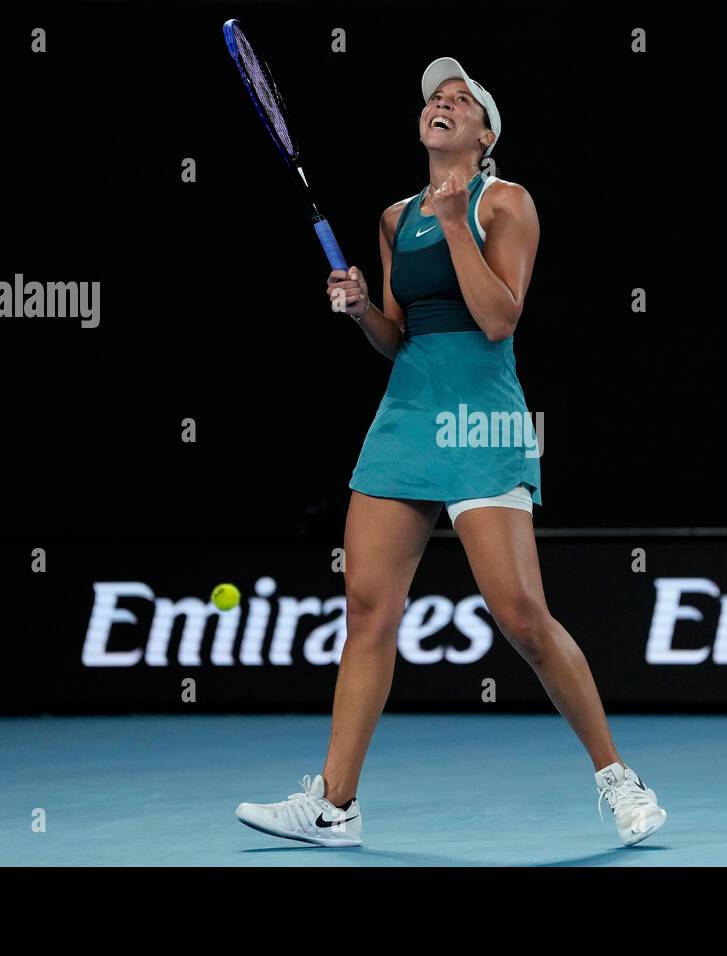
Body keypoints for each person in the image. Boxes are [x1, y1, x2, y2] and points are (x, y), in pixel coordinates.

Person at [237, 57, 666, 848]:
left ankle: (619, 780)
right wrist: (364, 307)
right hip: (406, 418)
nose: (443, 102)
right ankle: (336, 805)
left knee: (522, 616)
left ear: (485, 134)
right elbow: (398, 335)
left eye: (461, 100)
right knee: (366, 610)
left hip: (483, 423)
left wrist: (460, 213)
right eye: (437, 96)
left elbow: (501, 317)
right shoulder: (397, 218)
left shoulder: (507, 202)